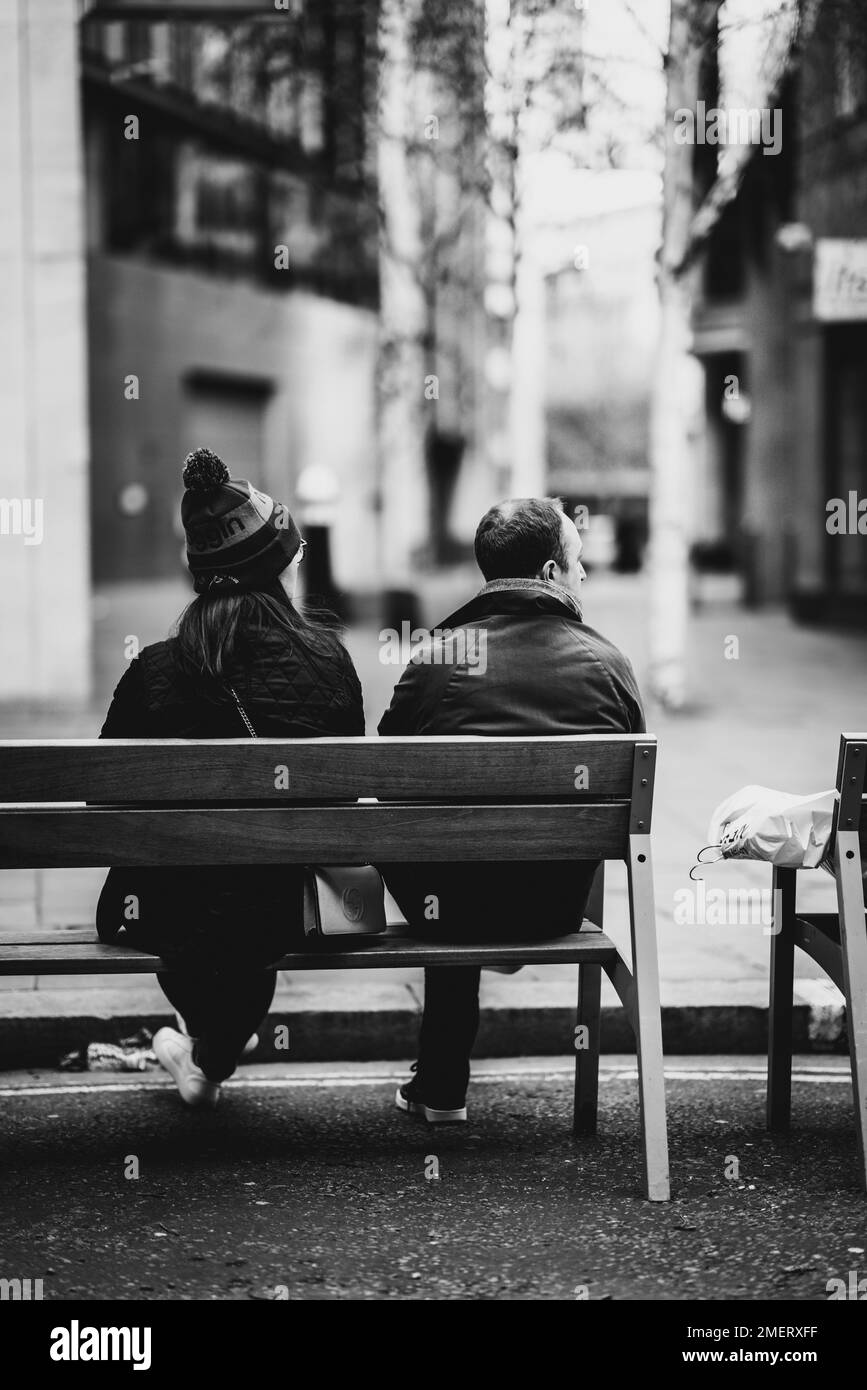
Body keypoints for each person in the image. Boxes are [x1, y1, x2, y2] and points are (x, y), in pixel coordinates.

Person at [97, 447, 364, 1107]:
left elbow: (101, 799)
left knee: (203, 917)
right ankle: (211, 1051)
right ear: (274, 568)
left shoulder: (154, 669)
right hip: (284, 905)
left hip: (161, 909)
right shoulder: (327, 660)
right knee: (245, 921)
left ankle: (206, 1051)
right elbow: (345, 796)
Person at [378, 496, 644, 1123]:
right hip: (553, 903)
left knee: (447, 848)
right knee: (470, 849)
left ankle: (441, 1085)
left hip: (443, 908)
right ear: (550, 574)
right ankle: (442, 1081)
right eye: (577, 563)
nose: (584, 577)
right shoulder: (608, 666)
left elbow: (388, 774)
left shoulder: (435, 657)